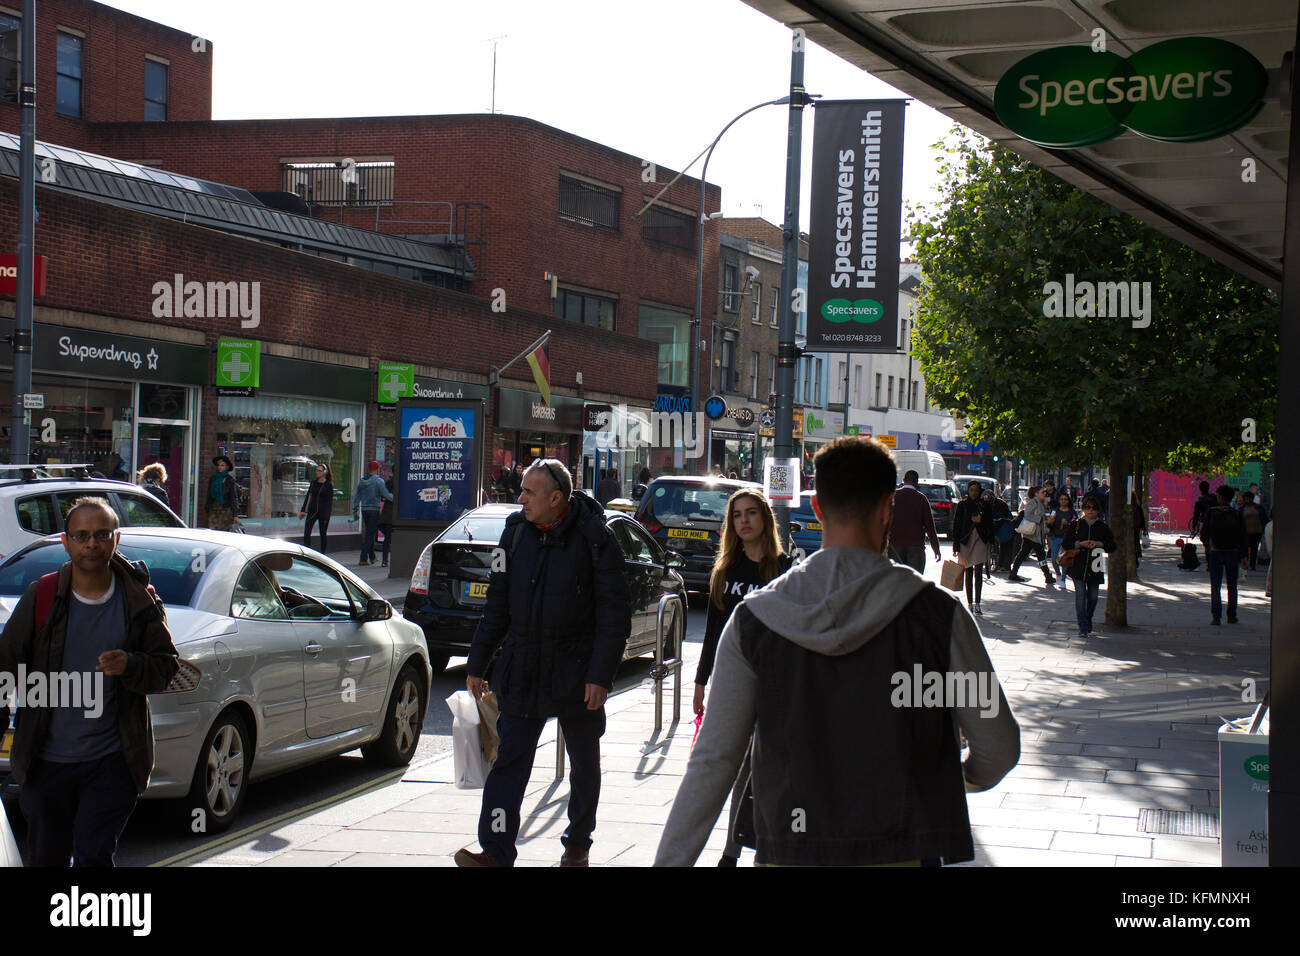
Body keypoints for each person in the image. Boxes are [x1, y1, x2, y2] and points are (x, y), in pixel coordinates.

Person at [654, 436, 1020, 867]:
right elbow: (999, 746)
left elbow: (714, 761)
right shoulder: (940, 618)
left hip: (789, 849)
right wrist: (955, 778)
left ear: (819, 509)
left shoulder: (754, 621)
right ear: (888, 508)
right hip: (901, 849)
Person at [455, 459, 632, 867]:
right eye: (520, 490)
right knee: (508, 765)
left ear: (556, 499)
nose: (520, 499)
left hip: (578, 670)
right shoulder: (512, 534)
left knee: (584, 766)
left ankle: (577, 845)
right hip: (522, 667)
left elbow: (613, 616)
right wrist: (477, 663)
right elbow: (496, 603)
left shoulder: (596, 539)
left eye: (529, 492)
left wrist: (600, 675)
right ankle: (496, 851)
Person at [0, 497, 179, 866]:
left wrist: (131, 664)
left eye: (101, 534)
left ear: (116, 539)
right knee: (47, 858)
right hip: (45, 763)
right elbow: (4, 669)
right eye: (81, 536)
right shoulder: (42, 596)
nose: (91, 544)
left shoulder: (138, 601)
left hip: (113, 761)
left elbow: (166, 668)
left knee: (94, 855)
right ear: (66, 542)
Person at [693, 489, 791, 866]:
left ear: (765, 519)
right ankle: (739, 852)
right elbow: (713, 634)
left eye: (751, 513)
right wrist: (701, 683)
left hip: (772, 686)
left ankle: (736, 854)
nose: (744, 521)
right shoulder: (725, 571)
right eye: (737, 515)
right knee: (729, 769)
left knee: (755, 770)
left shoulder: (783, 569)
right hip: (731, 685)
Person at [1061, 494, 1116, 637]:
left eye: (1094, 508)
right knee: (1080, 595)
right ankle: (1083, 626)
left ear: (1098, 510)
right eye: (1087, 507)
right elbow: (1066, 543)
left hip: (1096, 562)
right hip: (1078, 563)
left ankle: (1088, 620)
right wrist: (1080, 544)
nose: (1090, 511)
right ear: (1083, 508)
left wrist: (1099, 544)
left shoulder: (1102, 526)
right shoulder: (1076, 524)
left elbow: (1112, 545)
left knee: (1093, 596)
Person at [1201, 485, 1246, 625]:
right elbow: (1243, 536)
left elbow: (1204, 534)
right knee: (1232, 586)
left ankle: (1216, 617)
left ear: (1220, 496)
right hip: (1233, 552)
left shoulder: (1211, 512)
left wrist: (1207, 546)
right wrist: (1244, 555)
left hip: (1215, 552)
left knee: (1215, 585)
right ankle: (1231, 615)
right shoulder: (1236, 513)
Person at [887, 469, 941, 574]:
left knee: (896, 581)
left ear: (903, 480)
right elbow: (930, 527)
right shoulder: (922, 499)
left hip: (894, 546)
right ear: (916, 482)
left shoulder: (892, 497)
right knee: (915, 582)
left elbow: (884, 521)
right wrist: (936, 548)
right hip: (915, 547)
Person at [952, 480, 992, 614]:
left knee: (979, 571)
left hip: (980, 539)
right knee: (968, 571)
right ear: (968, 491)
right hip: (965, 541)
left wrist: (981, 523)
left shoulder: (984, 505)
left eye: (976, 490)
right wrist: (955, 545)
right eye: (971, 490)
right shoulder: (962, 505)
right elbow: (956, 524)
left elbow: (989, 523)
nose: (974, 492)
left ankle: (978, 603)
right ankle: (970, 603)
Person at [1009, 486, 1056, 586]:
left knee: (1024, 553)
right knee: (1040, 555)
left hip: (1034, 534)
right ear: (1036, 493)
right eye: (1042, 492)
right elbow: (1027, 515)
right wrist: (1040, 518)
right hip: (1033, 534)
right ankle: (1047, 575)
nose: (1045, 494)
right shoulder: (1033, 502)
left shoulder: (1040, 503)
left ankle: (1013, 572)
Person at [352, 460, 392, 567]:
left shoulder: (362, 481)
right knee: (370, 534)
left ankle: (372, 557)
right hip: (374, 510)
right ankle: (363, 558)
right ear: (376, 469)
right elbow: (386, 494)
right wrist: (396, 499)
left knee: (369, 532)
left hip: (364, 509)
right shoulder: (379, 481)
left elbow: (357, 497)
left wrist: (355, 510)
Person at [299, 463, 334, 554]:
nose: (317, 472)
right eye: (316, 470)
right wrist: (303, 510)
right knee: (307, 532)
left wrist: (327, 515)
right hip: (312, 511)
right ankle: (307, 552)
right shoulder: (313, 483)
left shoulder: (328, 485)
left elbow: (329, 502)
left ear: (324, 472)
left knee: (323, 533)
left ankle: (323, 553)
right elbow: (309, 496)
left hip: (323, 512)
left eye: (319, 471)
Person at [1047, 492, 1077, 590]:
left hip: (1066, 539)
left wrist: (1067, 523)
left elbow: (1076, 525)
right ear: (1059, 501)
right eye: (1061, 499)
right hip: (1055, 537)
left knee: (1064, 560)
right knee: (1054, 559)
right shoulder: (1054, 511)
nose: (1063, 501)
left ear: (1068, 501)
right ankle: (1058, 575)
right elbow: (1048, 523)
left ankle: (1063, 580)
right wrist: (1050, 522)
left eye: (1065, 499)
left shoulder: (1072, 512)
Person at [205, 455, 239, 531]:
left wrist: (235, 514)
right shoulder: (213, 478)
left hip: (225, 509)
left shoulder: (230, 480)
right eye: (218, 465)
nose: (220, 467)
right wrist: (207, 508)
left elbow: (233, 497)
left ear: (227, 467)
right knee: (213, 530)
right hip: (214, 508)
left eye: (222, 465)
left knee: (223, 531)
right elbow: (209, 494)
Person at [985, 489, 1012, 576]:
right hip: (993, 525)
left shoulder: (1000, 504)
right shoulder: (984, 504)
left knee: (1004, 544)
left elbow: (1002, 516)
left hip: (1003, 525)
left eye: (989, 497)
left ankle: (1003, 564)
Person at [1239, 491, 1268, 571]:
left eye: (1249, 499)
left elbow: (1265, 518)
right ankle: (1246, 563)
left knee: (1254, 548)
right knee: (1245, 548)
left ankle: (1252, 565)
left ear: (1252, 499)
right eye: (1246, 499)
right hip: (1245, 532)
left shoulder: (1259, 508)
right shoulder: (1241, 509)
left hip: (1257, 532)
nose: (1247, 500)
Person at [377, 477, 395, 568]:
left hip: (386, 514)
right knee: (389, 538)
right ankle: (386, 560)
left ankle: (384, 560)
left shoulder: (388, 483)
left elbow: (384, 495)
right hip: (393, 514)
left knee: (387, 539)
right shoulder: (401, 482)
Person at [1131, 491, 1147, 572]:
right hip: (1136, 530)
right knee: (1136, 543)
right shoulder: (1138, 507)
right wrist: (1144, 529)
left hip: (1129, 530)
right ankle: (1135, 560)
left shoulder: (1125, 508)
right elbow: (1142, 519)